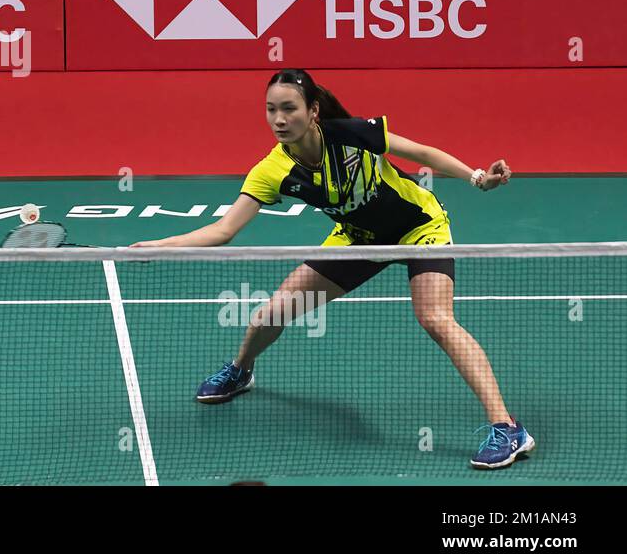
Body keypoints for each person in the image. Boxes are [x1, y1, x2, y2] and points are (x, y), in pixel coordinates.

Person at [132, 68, 531, 470]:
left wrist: (477, 178)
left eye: (289, 109)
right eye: (271, 110)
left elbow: (422, 152)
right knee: (272, 312)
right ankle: (240, 370)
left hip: (418, 228)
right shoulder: (272, 170)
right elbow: (224, 230)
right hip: (358, 239)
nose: (279, 120)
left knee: (435, 318)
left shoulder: (352, 133)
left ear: (314, 111)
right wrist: (157, 246)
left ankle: (507, 427)